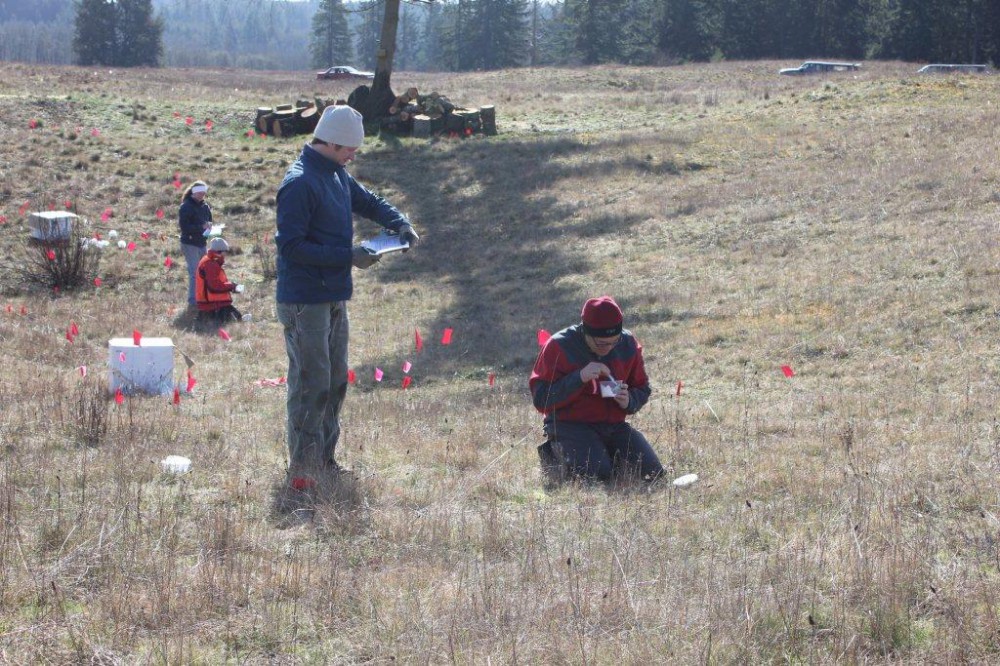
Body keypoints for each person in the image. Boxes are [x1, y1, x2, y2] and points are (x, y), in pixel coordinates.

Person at [275, 104, 419, 489]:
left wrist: (398, 222)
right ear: (332, 142)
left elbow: (369, 201)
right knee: (311, 381)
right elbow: (291, 248)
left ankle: (324, 459)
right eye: (349, 149)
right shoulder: (300, 183)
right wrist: (349, 257)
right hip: (305, 299)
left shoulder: (335, 173)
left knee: (336, 379)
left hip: (333, 294)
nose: (353, 155)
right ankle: (303, 470)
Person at [530, 296, 664, 484]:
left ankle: (603, 456)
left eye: (614, 342)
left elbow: (642, 387)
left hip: (614, 426)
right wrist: (580, 377)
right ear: (585, 331)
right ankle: (555, 454)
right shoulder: (558, 346)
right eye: (601, 344)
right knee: (597, 478)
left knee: (653, 474)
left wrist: (630, 401)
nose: (608, 348)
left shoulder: (628, 344)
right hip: (570, 425)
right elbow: (541, 398)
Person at [195, 237, 249, 323]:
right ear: (220, 251)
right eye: (225, 251)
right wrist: (232, 286)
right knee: (236, 321)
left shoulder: (209, 260)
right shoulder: (210, 264)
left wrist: (232, 286)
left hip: (212, 303)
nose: (226, 254)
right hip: (213, 306)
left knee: (238, 319)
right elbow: (214, 287)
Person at [178, 180, 213, 308]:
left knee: (203, 271)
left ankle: (203, 296)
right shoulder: (186, 207)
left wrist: (209, 226)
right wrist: (201, 227)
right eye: (200, 193)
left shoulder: (205, 207)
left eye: (204, 193)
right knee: (194, 272)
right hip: (189, 243)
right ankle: (193, 300)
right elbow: (184, 227)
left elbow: (209, 220)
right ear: (194, 192)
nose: (202, 195)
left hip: (202, 242)